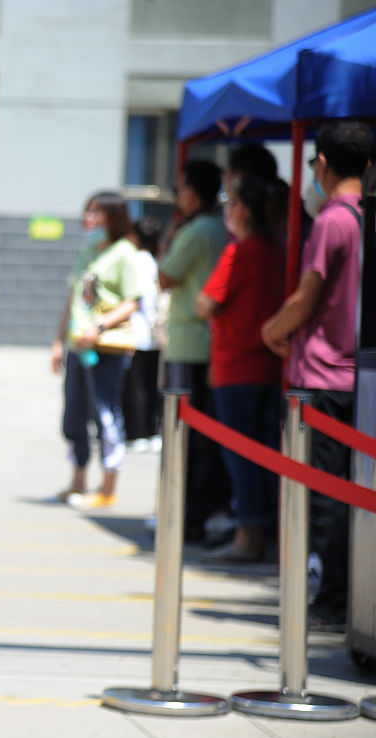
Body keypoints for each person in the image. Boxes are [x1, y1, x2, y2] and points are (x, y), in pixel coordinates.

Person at [262, 120, 375, 631]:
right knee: (352, 493)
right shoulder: (365, 217)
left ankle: (330, 602)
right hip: (359, 377)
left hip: (323, 375)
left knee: (324, 494)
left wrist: (271, 330)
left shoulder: (331, 220)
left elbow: (306, 297)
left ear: (323, 164)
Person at [196, 174, 285, 562]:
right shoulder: (277, 249)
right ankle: (263, 531)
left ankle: (248, 535)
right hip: (270, 365)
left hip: (236, 365)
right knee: (264, 453)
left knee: (240, 455)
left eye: (229, 203)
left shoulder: (240, 250)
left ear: (242, 209)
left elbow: (206, 303)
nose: (226, 211)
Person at [50, 192, 142, 508]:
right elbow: (72, 299)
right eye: (88, 212)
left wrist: (99, 327)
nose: (89, 219)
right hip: (78, 348)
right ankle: (77, 482)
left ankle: (107, 488)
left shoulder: (125, 253)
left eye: (97, 213)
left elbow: (133, 302)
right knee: (74, 415)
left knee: (105, 415)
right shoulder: (88, 252)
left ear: (113, 217)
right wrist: (59, 342)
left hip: (107, 349)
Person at [158, 160, 232, 541]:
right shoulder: (219, 227)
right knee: (204, 437)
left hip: (189, 342)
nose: (177, 196)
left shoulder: (197, 230)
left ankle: (187, 515)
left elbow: (164, 276)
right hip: (208, 341)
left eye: (181, 189)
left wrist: (170, 235)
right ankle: (203, 513)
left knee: (184, 435)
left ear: (196, 192)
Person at [122, 216, 162, 449]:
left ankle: (138, 432)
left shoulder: (138, 260)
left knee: (136, 385)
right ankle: (149, 430)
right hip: (151, 332)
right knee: (148, 383)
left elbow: (144, 297)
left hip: (139, 331)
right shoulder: (152, 260)